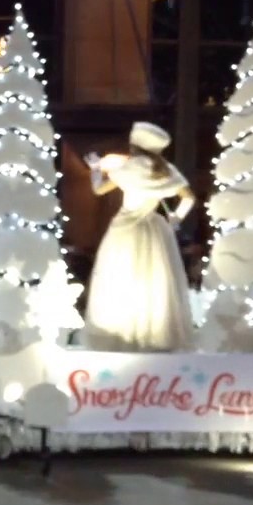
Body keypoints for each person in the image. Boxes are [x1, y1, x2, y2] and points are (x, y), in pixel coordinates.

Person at [84, 122, 197, 352]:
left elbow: (99, 189)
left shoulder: (130, 168)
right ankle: (154, 335)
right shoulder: (165, 169)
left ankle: (122, 334)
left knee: (122, 280)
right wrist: (175, 218)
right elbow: (189, 197)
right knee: (154, 282)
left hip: (125, 231)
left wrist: (96, 168)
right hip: (155, 229)